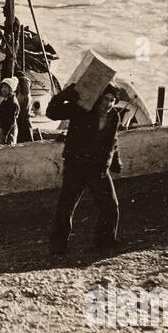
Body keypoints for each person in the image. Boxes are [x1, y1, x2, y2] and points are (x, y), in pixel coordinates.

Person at [46, 83, 124, 255]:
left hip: (98, 168)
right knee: (66, 207)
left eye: (112, 100)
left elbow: (112, 140)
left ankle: (105, 242)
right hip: (76, 166)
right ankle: (58, 247)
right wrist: (64, 95)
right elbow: (52, 113)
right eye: (105, 99)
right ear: (97, 99)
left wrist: (114, 160)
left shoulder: (114, 117)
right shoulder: (82, 110)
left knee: (111, 206)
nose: (108, 104)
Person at [0, 77, 21, 146]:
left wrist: (5, 134)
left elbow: (10, 121)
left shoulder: (12, 103)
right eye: (2, 87)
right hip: (4, 129)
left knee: (9, 149)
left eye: (6, 88)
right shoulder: (6, 100)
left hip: (9, 131)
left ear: (11, 89)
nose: (3, 89)